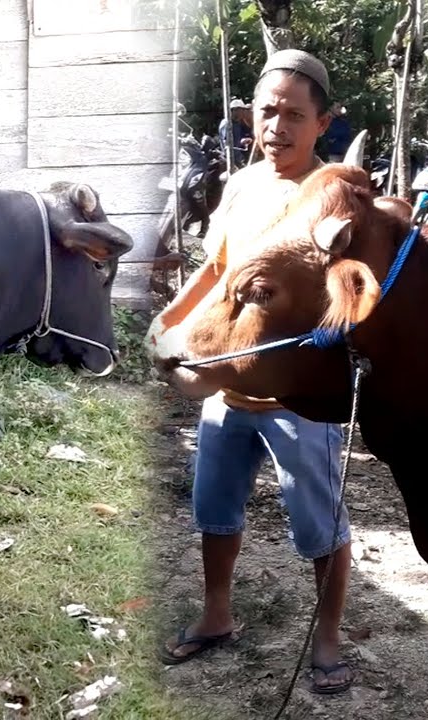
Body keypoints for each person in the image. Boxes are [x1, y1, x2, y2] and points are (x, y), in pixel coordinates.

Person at [145, 48, 356, 696]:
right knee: (213, 506)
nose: (277, 126)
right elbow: (217, 272)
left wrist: (314, 357)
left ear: (322, 123)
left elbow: (346, 298)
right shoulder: (241, 186)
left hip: (296, 400)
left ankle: (326, 638)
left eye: (295, 114)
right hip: (227, 389)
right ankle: (216, 615)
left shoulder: (332, 197)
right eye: (268, 111)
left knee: (320, 524)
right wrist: (170, 324)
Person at [219, 98, 253, 168]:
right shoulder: (227, 124)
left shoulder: (237, 123)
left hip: (238, 158)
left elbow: (235, 142)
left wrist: (242, 141)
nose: (243, 112)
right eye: (242, 110)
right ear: (235, 110)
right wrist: (238, 162)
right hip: (231, 161)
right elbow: (227, 145)